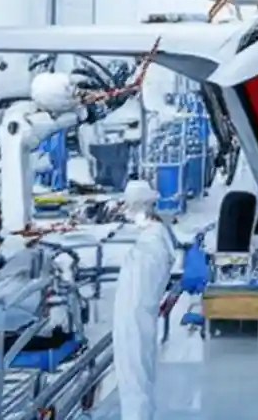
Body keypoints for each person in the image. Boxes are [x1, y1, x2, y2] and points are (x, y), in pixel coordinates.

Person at [112, 180, 175, 420]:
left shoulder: (151, 243)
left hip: (135, 319)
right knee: (137, 378)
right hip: (137, 318)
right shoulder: (153, 237)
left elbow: (142, 286)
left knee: (134, 381)